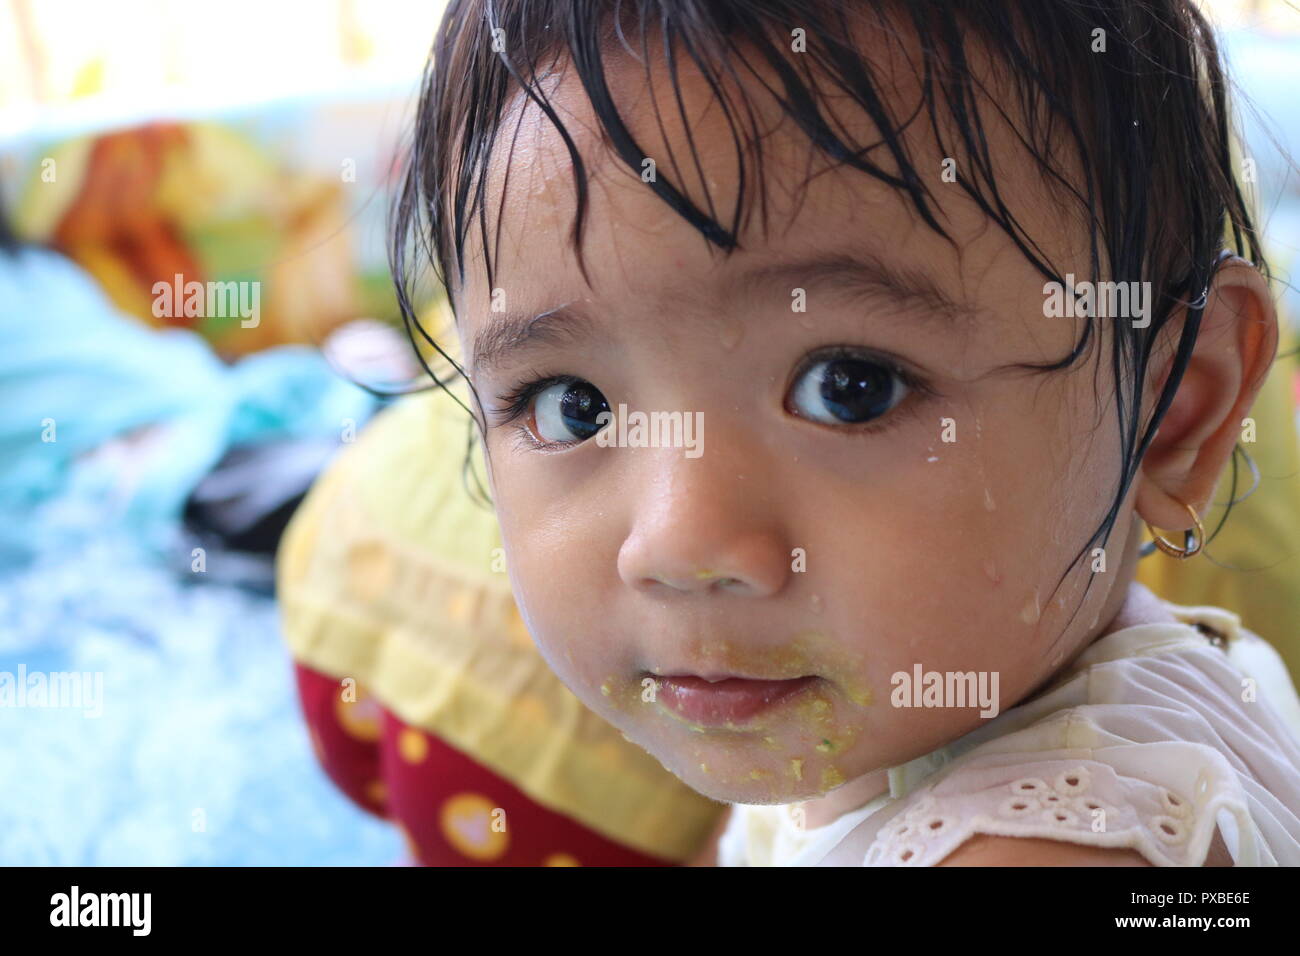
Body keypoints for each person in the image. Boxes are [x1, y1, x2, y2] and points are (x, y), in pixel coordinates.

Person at [384, 0, 1300, 865]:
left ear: (1175, 404)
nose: (681, 544)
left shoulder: (1036, 847)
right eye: (570, 405)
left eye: (849, 389)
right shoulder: (908, 715)